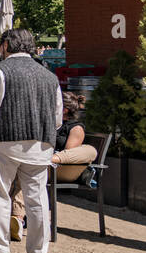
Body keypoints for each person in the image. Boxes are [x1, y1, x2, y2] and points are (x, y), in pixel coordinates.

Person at [0, 28, 64, 253]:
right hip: (41, 144)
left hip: (6, 143)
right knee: (37, 199)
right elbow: (57, 118)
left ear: (7, 45)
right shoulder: (49, 77)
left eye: (1, 45)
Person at [6, 91, 97, 241]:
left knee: (90, 150)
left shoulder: (75, 128)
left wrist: (48, 157)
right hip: (41, 165)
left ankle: (17, 218)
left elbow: (69, 155)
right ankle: (17, 220)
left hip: (64, 169)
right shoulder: (48, 124)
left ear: (64, 110)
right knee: (26, 169)